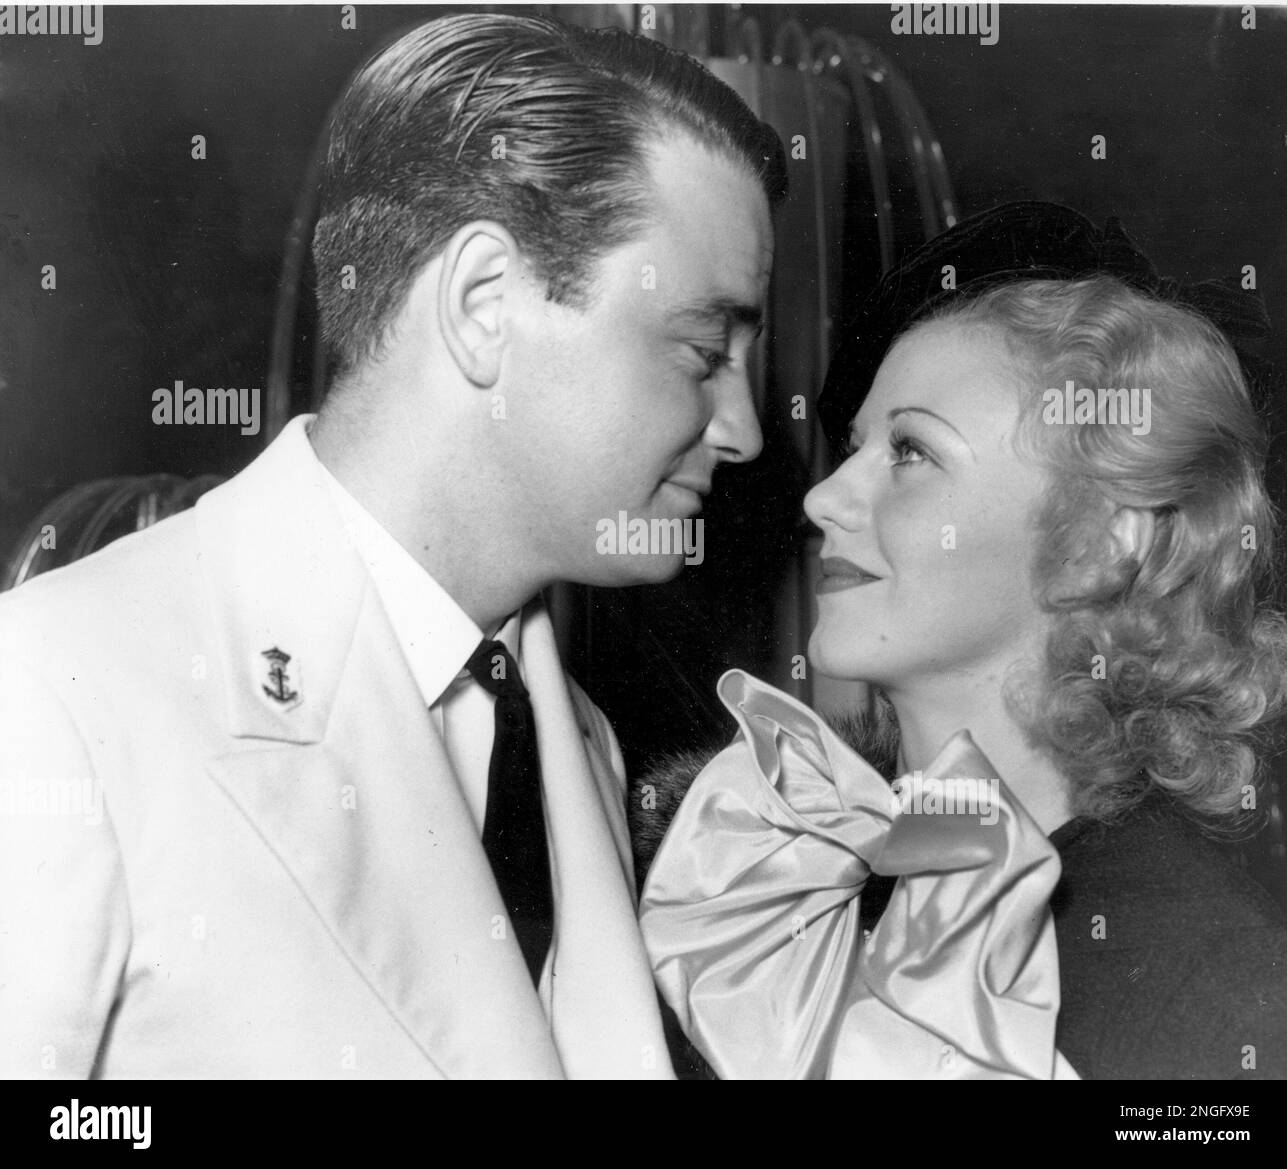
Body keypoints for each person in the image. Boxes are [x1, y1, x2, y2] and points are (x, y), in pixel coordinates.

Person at [0, 12, 785, 1079]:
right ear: (481, 305)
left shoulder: (578, 740)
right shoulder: (55, 693)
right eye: (703, 349)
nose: (741, 426)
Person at [638, 202, 1287, 1079]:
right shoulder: (747, 883)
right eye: (854, 447)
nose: (824, 499)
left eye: (910, 451)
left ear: (1103, 541)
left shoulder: (1228, 997)